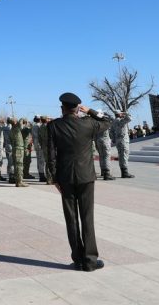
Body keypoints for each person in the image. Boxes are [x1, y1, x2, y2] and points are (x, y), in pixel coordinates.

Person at [45, 92, 111, 272]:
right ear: (77, 108)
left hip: (65, 177)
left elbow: (50, 155)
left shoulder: (53, 126)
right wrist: (90, 111)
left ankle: (78, 259)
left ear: (62, 108)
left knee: (71, 218)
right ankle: (90, 260)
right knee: (87, 218)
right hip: (86, 177)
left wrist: (54, 178)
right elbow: (108, 121)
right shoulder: (88, 123)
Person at [111, 111, 134, 179]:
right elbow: (129, 118)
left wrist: (114, 139)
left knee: (121, 156)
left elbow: (111, 132)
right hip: (123, 140)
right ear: (119, 114)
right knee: (124, 156)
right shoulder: (121, 121)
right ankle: (125, 173)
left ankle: (123, 172)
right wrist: (126, 112)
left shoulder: (113, 122)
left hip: (118, 141)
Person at [9, 118, 28, 187]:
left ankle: (18, 181)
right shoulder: (16, 128)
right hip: (18, 148)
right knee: (19, 165)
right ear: (14, 122)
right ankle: (19, 181)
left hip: (15, 148)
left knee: (16, 165)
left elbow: (11, 140)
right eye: (15, 119)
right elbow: (21, 121)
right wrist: (24, 119)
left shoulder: (11, 130)